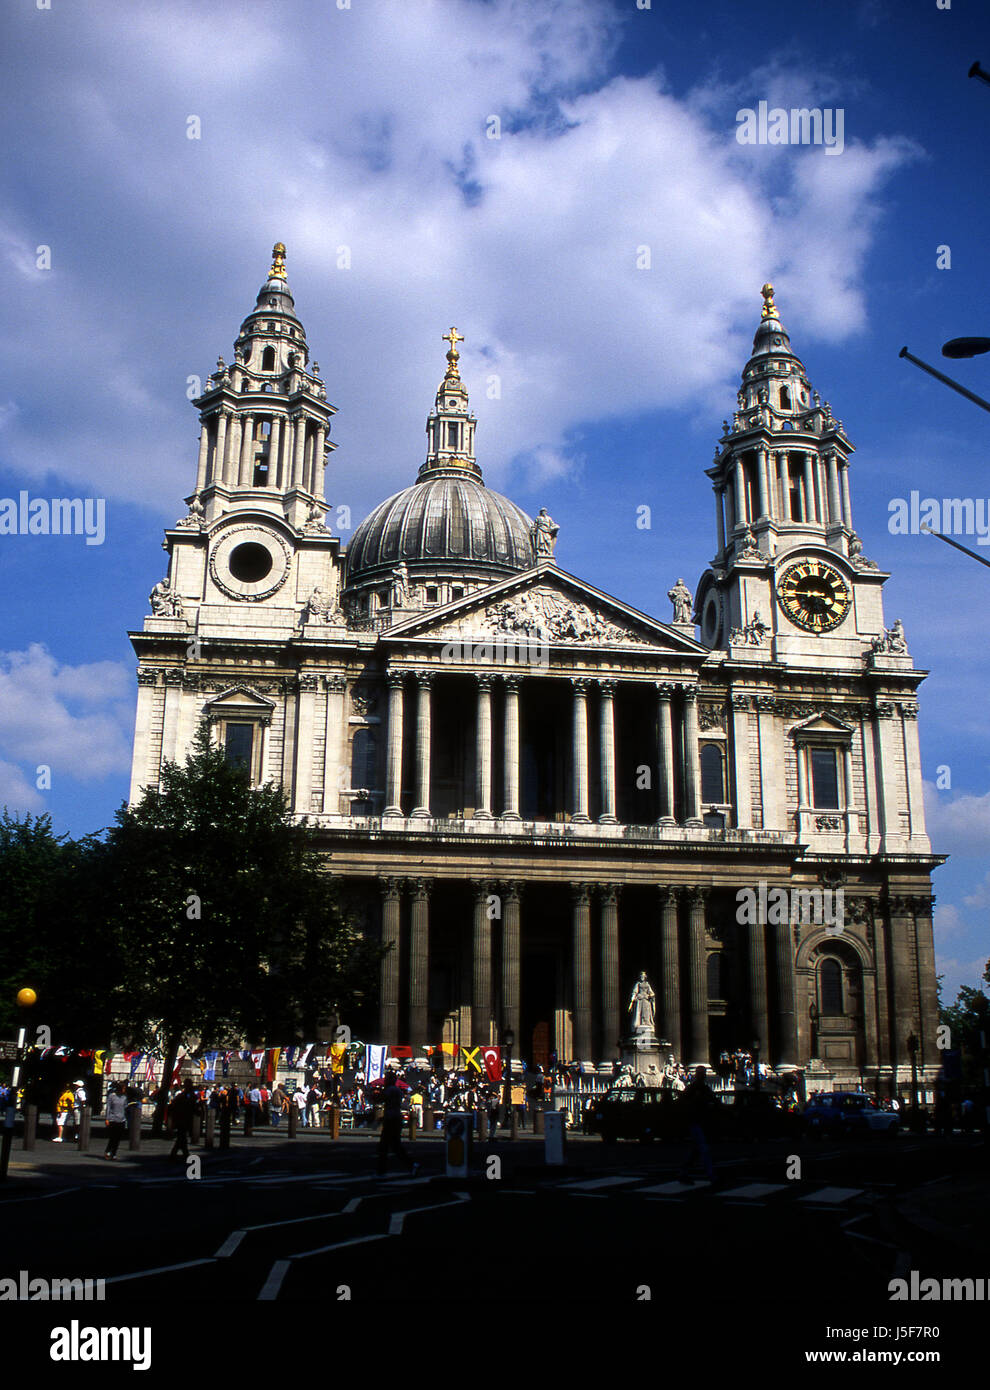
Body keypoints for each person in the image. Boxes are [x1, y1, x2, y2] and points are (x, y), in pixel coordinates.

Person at [678, 1066, 716, 1185]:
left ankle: (684, 1173)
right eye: (701, 1074)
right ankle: (711, 1176)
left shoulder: (700, 1088)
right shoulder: (695, 1088)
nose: (703, 1076)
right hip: (696, 1121)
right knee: (703, 1149)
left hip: (698, 1121)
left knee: (696, 1150)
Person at [377, 1072, 418, 1177]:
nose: (385, 1081)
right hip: (396, 1117)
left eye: (386, 1079)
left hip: (391, 1119)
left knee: (385, 1145)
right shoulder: (398, 1091)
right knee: (394, 1146)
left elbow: (381, 1099)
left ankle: (382, 1171)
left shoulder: (389, 1090)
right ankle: (411, 1165)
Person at [169, 1079, 199, 1161]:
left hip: (182, 1118)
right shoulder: (186, 1095)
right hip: (184, 1118)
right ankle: (181, 1155)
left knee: (181, 1137)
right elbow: (192, 1106)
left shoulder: (183, 1095)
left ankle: (179, 1154)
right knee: (182, 1137)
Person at [103, 1082, 128, 1159]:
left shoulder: (124, 1097)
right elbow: (108, 1108)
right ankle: (108, 1151)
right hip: (113, 1119)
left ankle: (114, 1153)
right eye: (123, 1088)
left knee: (118, 1138)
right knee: (112, 1137)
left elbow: (126, 1107)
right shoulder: (112, 1096)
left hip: (122, 1120)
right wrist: (107, 1118)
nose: (124, 1090)